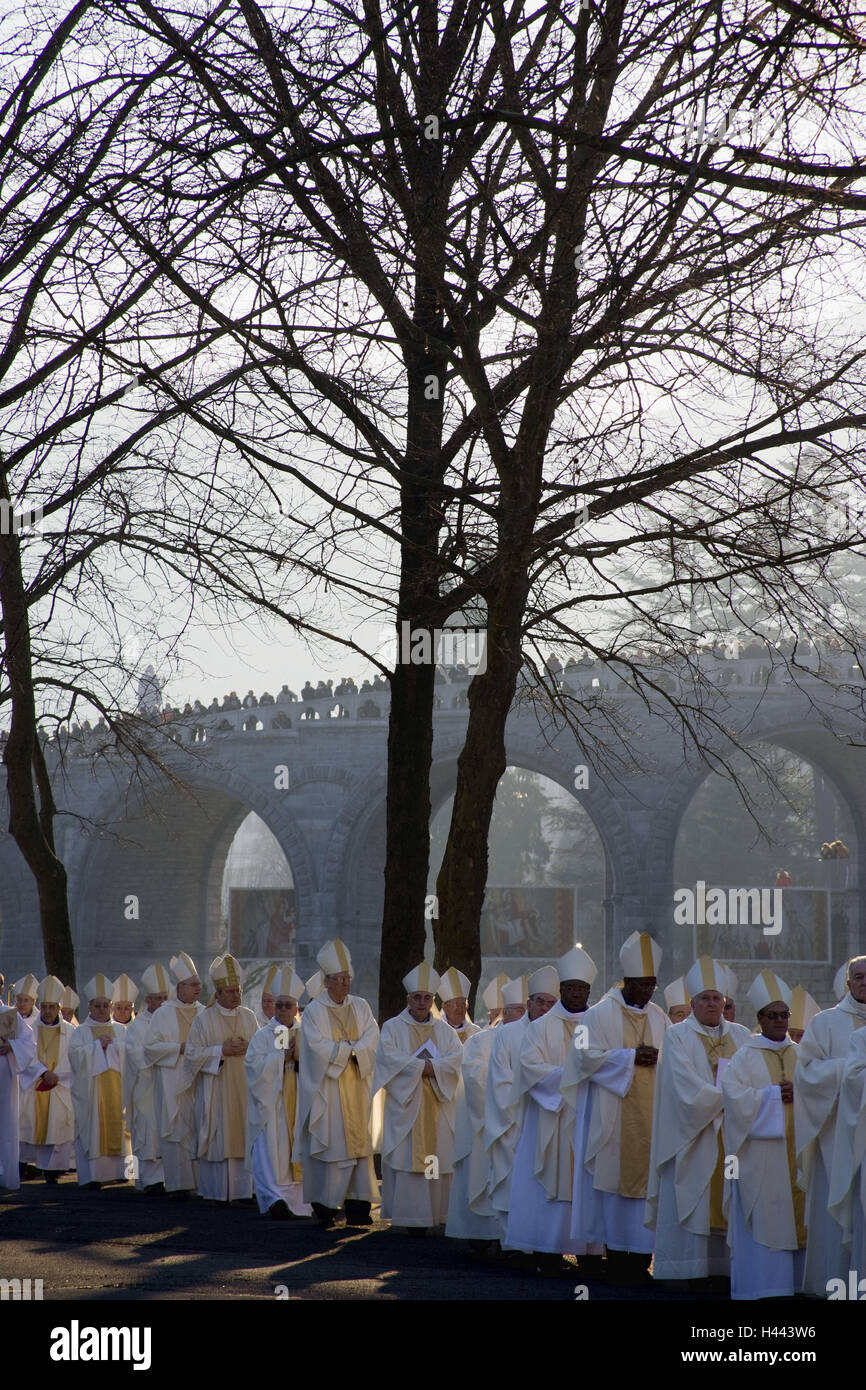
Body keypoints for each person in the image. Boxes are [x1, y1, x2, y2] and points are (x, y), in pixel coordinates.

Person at [562, 931, 668, 1285]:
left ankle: (640, 1259)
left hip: (650, 1117)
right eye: (642, 984)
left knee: (644, 1188)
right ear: (628, 981)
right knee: (612, 1185)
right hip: (611, 1117)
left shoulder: (659, 1017)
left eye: (652, 984)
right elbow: (581, 1058)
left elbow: (675, 1059)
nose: (648, 991)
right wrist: (630, 1057)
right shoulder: (598, 1015)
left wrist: (658, 1058)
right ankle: (616, 1256)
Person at [646, 956, 751, 1284]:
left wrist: (740, 1101)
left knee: (731, 1194)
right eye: (704, 998)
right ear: (692, 1003)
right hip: (692, 1135)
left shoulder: (743, 1035)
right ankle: (685, 1268)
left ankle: (724, 1268)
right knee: (692, 1193)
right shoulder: (677, 1036)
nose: (711, 1004)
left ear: (725, 1002)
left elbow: (753, 1077)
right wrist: (730, 1099)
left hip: (732, 1134)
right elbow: (683, 1086)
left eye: (717, 998)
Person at [507, 947, 598, 1269]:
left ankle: (590, 1251)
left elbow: (610, 1063)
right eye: (571, 987)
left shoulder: (599, 1022)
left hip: (589, 1118)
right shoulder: (540, 1027)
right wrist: (574, 1078)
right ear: (562, 990)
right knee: (549, 1182)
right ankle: (547, 1248)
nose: (576, 993)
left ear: (590, 990)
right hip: (551, 1117)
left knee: (587, 1181)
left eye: (582, 988)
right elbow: (530, 1068)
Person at [721, 969, 805, 1300]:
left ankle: (798, 1284)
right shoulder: (744, 1057)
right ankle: (763, 1287)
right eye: (774, 1015)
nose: (781, 1021)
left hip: (796, 1152)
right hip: (761, 1157)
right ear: (759, 1018)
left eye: (785, 1014)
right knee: (765, 1218)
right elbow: (733, 1099)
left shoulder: (802, 1054)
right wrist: (773, 1096)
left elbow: (819, 1095)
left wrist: (800, 1093)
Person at [794, 955, 866, 1296]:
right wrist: (849, 1072)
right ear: (847, 983)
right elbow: (806, 1073)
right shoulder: (825, 1023)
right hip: (835, 1133)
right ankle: (832, 1284)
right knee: (836, 1207)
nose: (864, 982)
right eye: (859, 977)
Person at [374, 962, 463, 1233]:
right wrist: (424, 1068)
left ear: (433, 1001)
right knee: (408, 1158)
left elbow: (456, 1060)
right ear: (408, 999)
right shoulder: (392, 1027)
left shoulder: (445, 1031)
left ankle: (435, 1215)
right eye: (417, 997)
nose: (422, 1002)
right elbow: (388, 1059)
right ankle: (410, 1217)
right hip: (407, 1106)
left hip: (437, 1103)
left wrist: (428, 1068)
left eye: (427, 998)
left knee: (436, 1157)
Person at [297, 938, 379, 1228]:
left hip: (356, 1086)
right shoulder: (315, 1011)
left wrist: (352, 1051)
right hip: (328, 1090)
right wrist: (350, 1050)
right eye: (339, 979)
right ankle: (326, 1204)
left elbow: (372, 1037)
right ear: (326, 980)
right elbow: (315, 1047)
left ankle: (358, 1206)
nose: (345, 984)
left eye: (347, 979)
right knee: (332, 1146)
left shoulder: (361, 1006)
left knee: (358, 1150)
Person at [445, 979, 524, 1246]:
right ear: (504, 1012)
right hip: (488, 1124)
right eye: (517, 1010)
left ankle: (516, 1241)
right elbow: (475, 1078)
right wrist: (508, 1100)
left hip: (523, 1124)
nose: (522, 1016)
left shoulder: (537, 1036)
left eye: (527, 1009)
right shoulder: (479, 1042)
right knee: (484, 1176)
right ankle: (481, 1235)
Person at [183, 953, 257, 1205]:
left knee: (243, 1132)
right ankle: (216, 1191)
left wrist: (251, 1047)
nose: (236, 995)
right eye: (231, 991)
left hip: (244, 1088)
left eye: (238, 990)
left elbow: (260, 1049)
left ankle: (243, 1191)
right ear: (218, 993)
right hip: (218, 1087)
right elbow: (191, 1055)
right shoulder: (204, 1018)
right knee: (219, 1134)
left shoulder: (249, 1016)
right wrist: (220, 1051)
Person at [485, 969, 553, 1242]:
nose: (545, 1008)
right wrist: (521, 1113)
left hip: (551, 1121)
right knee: (513, 1184)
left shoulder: (562, 1033)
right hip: (515, 1122)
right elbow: (500, 1083)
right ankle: (513, 1242)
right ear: (529, 1004)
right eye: (540, 1002)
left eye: (551, 1003)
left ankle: (543, 1242)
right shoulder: (507, 1035)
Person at [245, 963, 312, 1219]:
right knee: (271, 1151)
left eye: (288, 1004)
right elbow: (252, 1068)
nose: (283, 1009)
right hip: (272, 1105)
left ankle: (303, 1202)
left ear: (297, 1007)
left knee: (297, 1150)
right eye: (279, 1004)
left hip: (298, 1102)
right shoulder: (263, 1036)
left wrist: (300, 1055)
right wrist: (280, 1058)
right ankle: (274, 1198)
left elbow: (317, 1067)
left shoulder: (307, 1033)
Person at [144, 953, 205, 1200]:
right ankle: (178, 1185)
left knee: (198, 1126)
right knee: (175, 1128)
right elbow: (149, 1047)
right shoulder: (163, 1013)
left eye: (199, 984)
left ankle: (201, 1184)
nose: (198, 988)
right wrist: (177, 1048)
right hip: (172, 1079)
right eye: (193, 985)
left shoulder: (203, 1012)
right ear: (179, 987)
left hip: (199, 1079)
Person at [69, 974, 130, 1189]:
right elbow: (74, 1057)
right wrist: (97, 1047)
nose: (102, 1009)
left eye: (106, 1005)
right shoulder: (81, 1032)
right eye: (98, 1005)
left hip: (116, 1090)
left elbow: (129, 1056)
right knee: (92, 1127)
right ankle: (91, 1177)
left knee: (120, 1125)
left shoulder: (122, 1030)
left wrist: (113, 1046)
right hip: (91, 1092)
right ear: (89, 1007)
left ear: (111, 1007)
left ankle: (121, 1172)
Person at [19, 975, 75, 1184]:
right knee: (28, 1123)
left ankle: (52, 1170)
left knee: (58, 1125)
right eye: (45, 1006)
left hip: (60, 1086)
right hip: (34, 1085)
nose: (48, 1011)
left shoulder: (72, 1032)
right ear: (39, 1007)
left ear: (59, 1008)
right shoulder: (28, 1029)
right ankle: (24, 1165)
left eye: (52, 1006)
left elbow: (74, 1057)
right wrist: (43, 1073)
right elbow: (24, 1054)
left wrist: (57, 1075)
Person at [123, 964, 169, 1192]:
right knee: (149, 1131)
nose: (161, 1002)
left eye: (165, 998)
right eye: (157, 998)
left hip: (169, 1086)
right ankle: (150, 1179)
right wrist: (163, 1059)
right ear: (148, 1000)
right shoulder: (138, 1026)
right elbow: (135, 1055)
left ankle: (168, 1177)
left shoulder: (172, 1022)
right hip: (147, 1087)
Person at [0, 985, 37, 1191]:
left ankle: (5, 1173)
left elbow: (29, 1043)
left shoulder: (9, 1014)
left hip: (4, 1073)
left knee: (5, 1121)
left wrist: (12, 1047)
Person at [438, 967, 481, 1044]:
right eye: (456, 1004)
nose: (460, 1009)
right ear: (444, 1007)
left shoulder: (476, 1032)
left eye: (463, 1004)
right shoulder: (437, 1031)